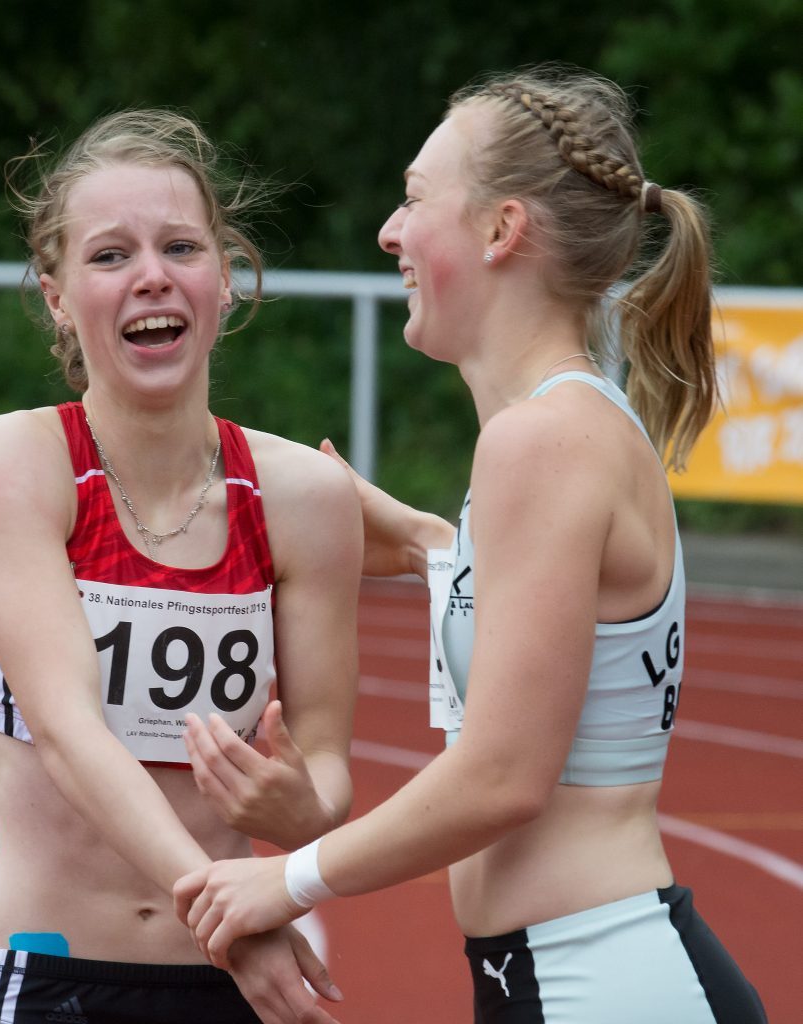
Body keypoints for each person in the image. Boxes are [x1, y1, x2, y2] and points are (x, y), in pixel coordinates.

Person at [174, 66, 769, 1023]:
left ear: (501, 230)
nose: (389, 231)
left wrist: (286, 880)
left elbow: (502, 776)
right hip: (571, 970)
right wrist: (425, 543)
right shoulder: (564, 428)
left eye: (415, 199)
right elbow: (570, 620)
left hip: (598, 980)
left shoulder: (540, 442)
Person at [0, 109, 362, 1024]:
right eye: (109, 255)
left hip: (224, 981)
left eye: (180, 246)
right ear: (56, 296)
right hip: (46, 977)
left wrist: (305, 808)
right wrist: (228, 921)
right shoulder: (18, 464)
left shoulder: (305, 498)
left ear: (226, 275)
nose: (152, 276)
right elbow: (68, 732)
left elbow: (327, 767)